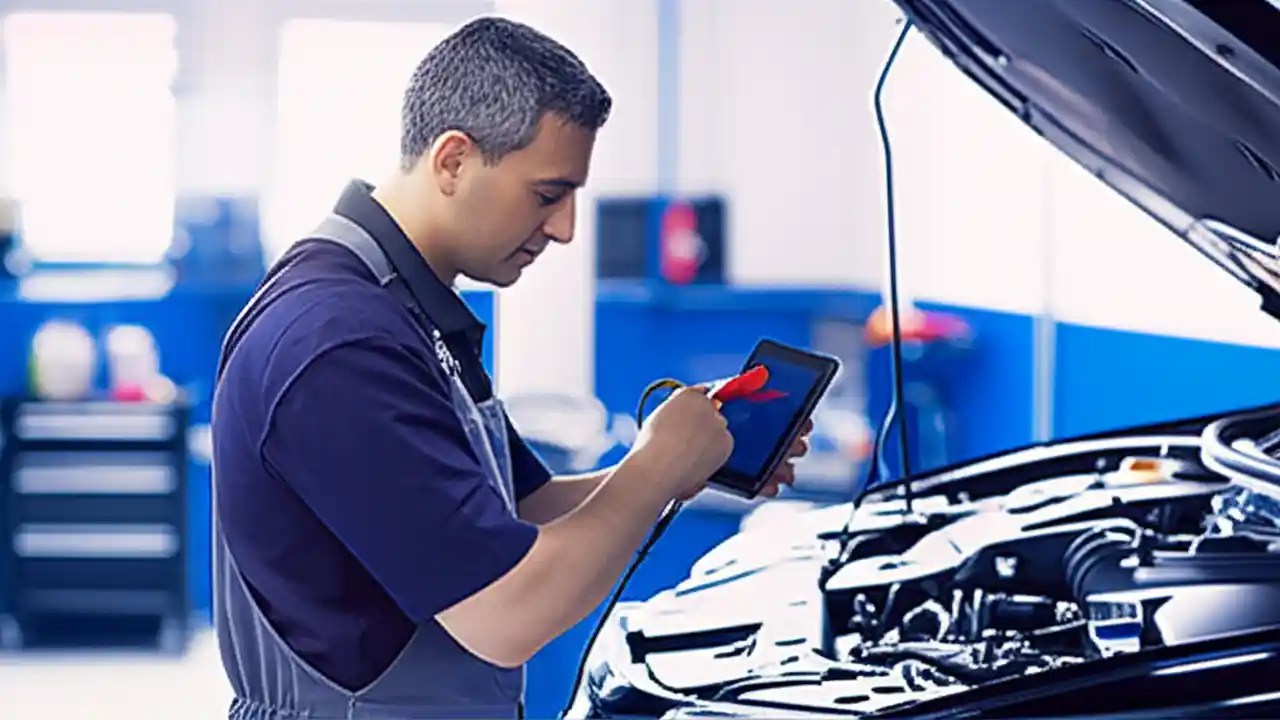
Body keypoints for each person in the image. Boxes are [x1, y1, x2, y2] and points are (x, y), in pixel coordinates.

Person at [210, 15, 812, 720]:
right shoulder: (340, 343)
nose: (565, 229)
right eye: (547, 195)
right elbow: (505, 613)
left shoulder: (408, 308)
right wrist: (654, 469)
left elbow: (523, 507)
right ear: (453, 161)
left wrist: (686, 460)